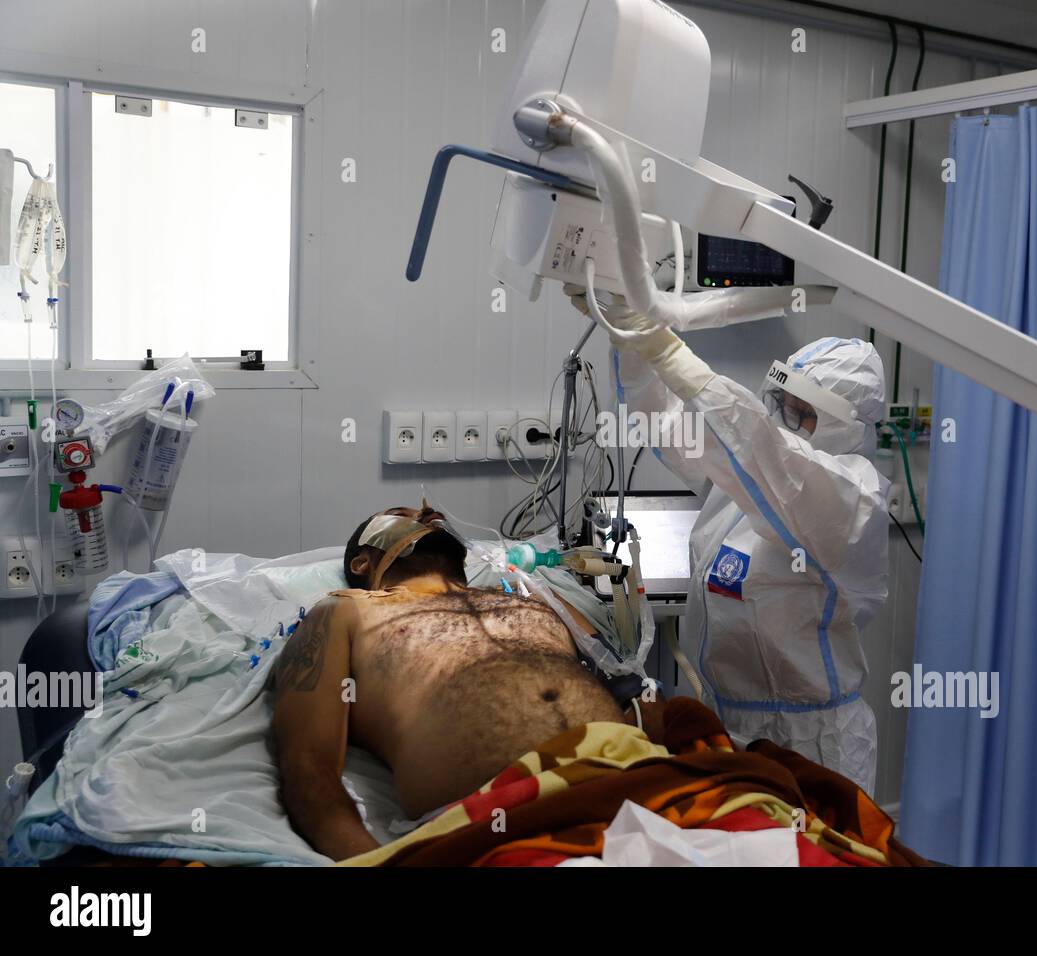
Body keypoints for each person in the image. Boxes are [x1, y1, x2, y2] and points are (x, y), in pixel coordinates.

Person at [572, 289, 890, 794]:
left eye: (802, 411)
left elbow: (765, 447)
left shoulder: (851, 499)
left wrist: (667, 348)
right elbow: (676, 427)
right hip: (730, 724)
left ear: (842, 426)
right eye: (780, 403)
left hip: (812, 743)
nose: (784, 419)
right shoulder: (748, 481)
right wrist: (629, 336)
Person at [268, 505, 639, 861]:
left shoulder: (527, 600)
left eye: (429, 515)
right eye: (403, 516)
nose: (426, 516)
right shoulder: (346, 609)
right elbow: (307, 761)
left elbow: (623, 684)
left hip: (637, 790)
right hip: (498, 830)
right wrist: (368, 859)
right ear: (362, 561)